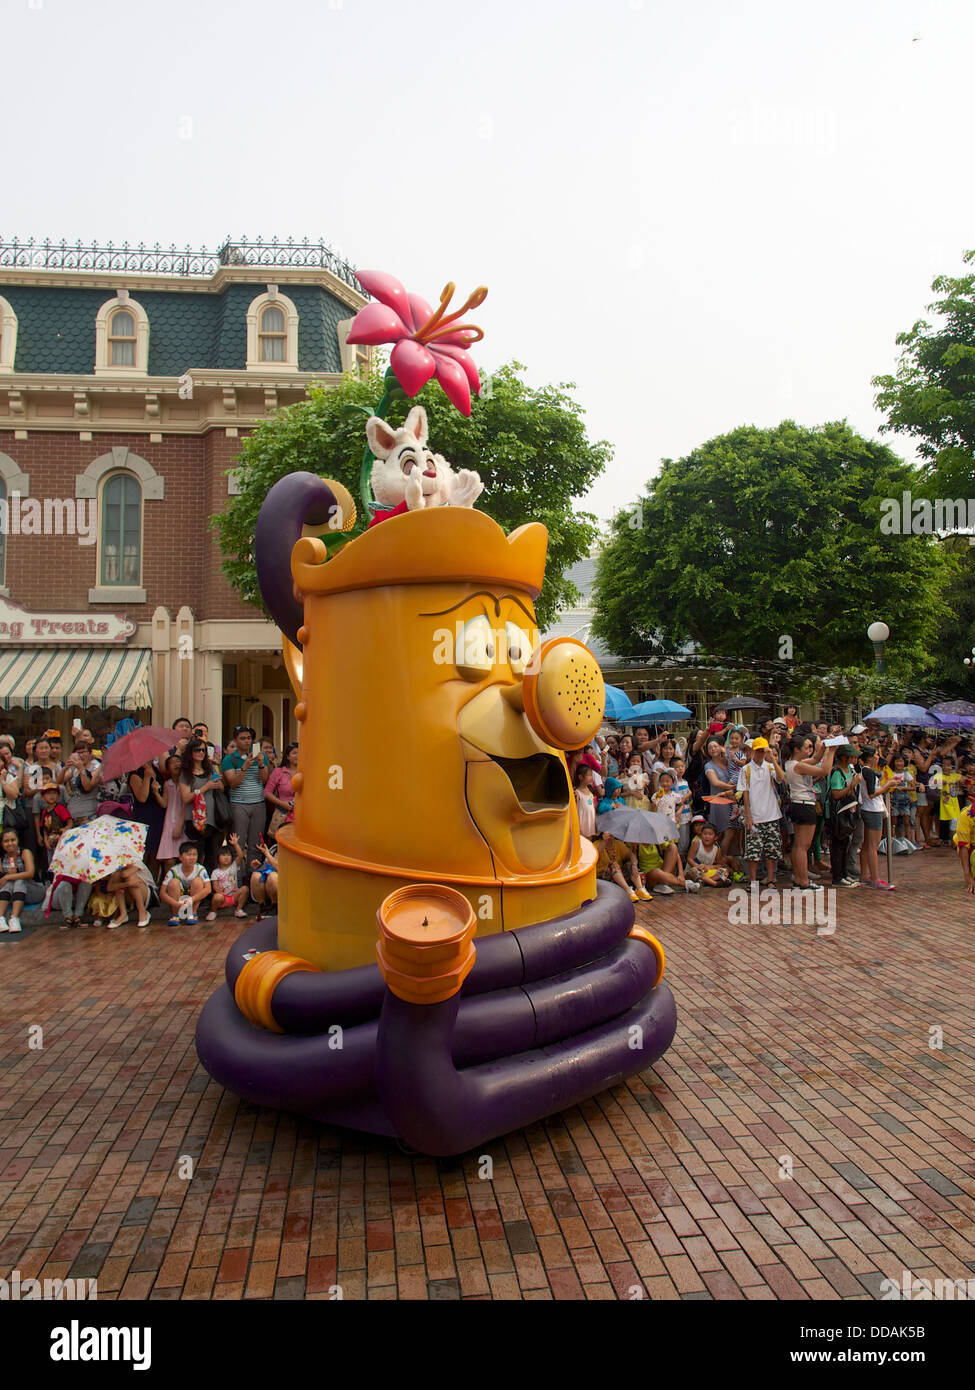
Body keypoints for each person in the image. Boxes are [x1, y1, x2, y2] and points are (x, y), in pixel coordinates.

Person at [784, 736, 834, 890]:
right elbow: (825, 770)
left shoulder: (792, 763)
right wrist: (832, 751)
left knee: (798, 845)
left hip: (797, 804)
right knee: (802, 846)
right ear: (797, 749)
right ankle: (804, 881)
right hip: (804, 805)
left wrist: (824, 748)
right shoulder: (798, 766)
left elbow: (815, 759)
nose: (809, 750)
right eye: (806, 747)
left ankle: (799, 878)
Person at [222, 726, 271, 871]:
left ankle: (252, 879)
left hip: (258, 804)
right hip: (238, 805)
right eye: (242, 738)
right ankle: (236, 879)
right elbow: (232, 783)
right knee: (238, 843)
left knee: (256, 844)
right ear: (236, 741)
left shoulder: (261, 756)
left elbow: (264, 780)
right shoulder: (229, 759)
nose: (246, 741)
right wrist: (244, 767)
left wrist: (261, 764)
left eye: (249, 738)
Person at [738, 737, 785, 888]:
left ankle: (771, 879)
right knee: (753, 852)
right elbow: (745, 793)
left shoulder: (770, 767)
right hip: (756, 816)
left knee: (772, 849)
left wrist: (773, 760)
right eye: (757, 751)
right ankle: (753, 881)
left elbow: (781, 778)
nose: (760, 754)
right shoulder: (746, 769)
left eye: (762, 751)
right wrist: (748, 816)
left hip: (772, 814)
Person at [178, 739, 224, 870]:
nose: (201, 752)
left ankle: (209, 888)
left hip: (213, 820)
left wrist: (216, 766)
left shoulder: (209, 769)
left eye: (203, 750)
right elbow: (186, 797)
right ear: (190, 752)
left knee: (212, 857)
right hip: (195, 822)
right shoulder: (185, 773)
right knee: (196, 856)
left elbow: (221, 788)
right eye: (197, 750)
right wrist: (205, 787)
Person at [857, 745, 898, 890]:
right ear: (869, 757)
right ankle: (875, 878)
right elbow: (872, 793)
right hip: (872, 809)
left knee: (867, 845)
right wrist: (888, 785)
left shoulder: (866, 771)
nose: (878, 757)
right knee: (872, 846)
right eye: (876, 755)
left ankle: (864, 874)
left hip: (870, 809)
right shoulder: (867, 772)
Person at [0, 829, 42, 932]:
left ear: (18, 840)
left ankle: (14, 918)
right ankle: (0, 918)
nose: (10, 843)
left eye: (12, 840)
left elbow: (30, 873)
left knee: (18, 881)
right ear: (1, 844)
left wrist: (9, 876)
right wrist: (7, 875)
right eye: (6, 841)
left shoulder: (25, 852)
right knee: (9, 883)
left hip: (32, 889)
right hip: (12, 894)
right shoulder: (2, 858)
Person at [161, 842, 211, 925]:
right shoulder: (173, 870)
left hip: (193, 897)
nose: (192, 857)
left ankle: (192, 913)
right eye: (188, 855)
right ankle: (175, 914)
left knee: (198, 881)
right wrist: (176, 904)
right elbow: (162, 892)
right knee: (173, 882)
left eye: (194, 854)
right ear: (180, 857)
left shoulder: (200, 869)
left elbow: (208, 889)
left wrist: (191, 899)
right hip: (178, 898)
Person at [594, 830, 649, 903]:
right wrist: (604, 842)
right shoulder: (596, 844)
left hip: (618, 876)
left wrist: (634, 865)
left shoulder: (618, 844)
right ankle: (628, 891)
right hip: (602, 876)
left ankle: (640, 889)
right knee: (613, 863)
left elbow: (631, 855)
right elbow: (595, 859)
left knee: (630, 864)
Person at [103, 859, 156, 929]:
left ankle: (143, 912)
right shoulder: (117, 865)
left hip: (148, 895)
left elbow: (125, 874)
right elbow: (109, 887)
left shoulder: (137, 862)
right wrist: (127, 884)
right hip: (130, 898)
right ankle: (123, 914)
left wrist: (121, 873)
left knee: (130, 877)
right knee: (117, 877)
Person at [207, 835, 249, 921]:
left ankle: (238, 909)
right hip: (223, 897)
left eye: (228, 855)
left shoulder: (233, 866)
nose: (226, 857)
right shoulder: (215, 872)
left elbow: (240, 856)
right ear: (218, 858)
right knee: (216, 897)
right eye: (223, 855)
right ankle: (213, 911)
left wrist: (236, 844)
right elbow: (215, 886)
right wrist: (219, 891)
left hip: (234, 896)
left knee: (245, 889)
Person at [58, 743, 101, 824]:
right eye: (78, 753)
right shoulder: (73, 768)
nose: (81, 755)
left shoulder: (96, 767)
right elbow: (59, 782)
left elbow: (87, 787)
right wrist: (65, 768)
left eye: (84, 752)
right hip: (72, 812)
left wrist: (81, 769)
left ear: (90, 753)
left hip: (89, 813)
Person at [265, 742, 299, 840]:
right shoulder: (278, 772)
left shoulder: (308, 771)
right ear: (287, 756)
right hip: (284, 814)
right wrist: (282, 803)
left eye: (300, 753)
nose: (298, 756)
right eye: (294, 753)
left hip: (303, 815)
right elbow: (267, 793)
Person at [685, 818, 730, 886]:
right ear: (701, 835)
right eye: (705, 834)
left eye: (710, 834)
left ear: (715, 837)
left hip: (707, 872)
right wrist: (697, 866)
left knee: (724, 871)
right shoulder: (697, 843)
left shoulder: (716, 849)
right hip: (694, 871)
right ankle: (714, 883)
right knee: (695, 872)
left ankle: (705, 882)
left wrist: (709, 867)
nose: (707, 836)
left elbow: (720, 865)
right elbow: (689, 859)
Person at [250, 839, 280, 917]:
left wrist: (267, 854)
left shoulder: (290, 849)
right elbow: (267, 866)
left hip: (284, 880)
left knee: (273, 877)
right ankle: (263, 906)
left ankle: (275, 907)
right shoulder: (274, 848)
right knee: (255, 875)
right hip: (269, 880)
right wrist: (259, 866)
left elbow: (280, 868)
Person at [573, 763, 597, 840]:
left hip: (590, 826)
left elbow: (592, 808)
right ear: (581, 777)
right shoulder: (577, 793)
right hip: (582, 828)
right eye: (589, 775)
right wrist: (578, 828)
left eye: (591, 775)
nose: (591, 777)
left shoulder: (590, 792)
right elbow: (575, 813)